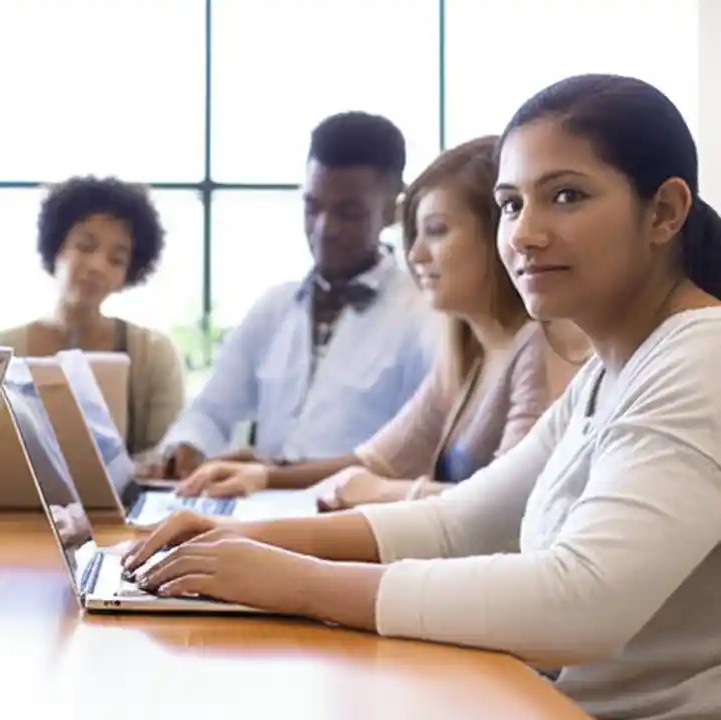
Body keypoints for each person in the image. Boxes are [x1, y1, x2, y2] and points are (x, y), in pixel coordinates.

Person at [125, 74, 721, 719]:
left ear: (664, 211)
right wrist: (246, 538)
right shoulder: (609, 373)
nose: (523, 235)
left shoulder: (700, 357)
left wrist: (296, 582)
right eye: (512, 205)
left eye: (566, 196)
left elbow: (582, 603)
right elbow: (458, 523)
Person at [175, 136, 582, 505]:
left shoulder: (537, 346)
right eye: (416, 235)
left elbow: (507, 507)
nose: (417, 255)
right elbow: (377, 461)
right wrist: (264, 477)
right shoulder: (467, 350)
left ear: (498, 235)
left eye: (437, 231)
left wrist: (384, 492)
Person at [146, 112, 437, 479]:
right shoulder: (274, 307)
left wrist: (276, 474)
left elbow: (413, 456)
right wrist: (187, 446)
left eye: (348, 213)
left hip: (357, 521)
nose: (324, 229)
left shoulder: (425, 315)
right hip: (257, 510)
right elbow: (210, 412)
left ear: (395, 212)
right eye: (312, 207)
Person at [0, 176, 184, 454]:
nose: (97, 266)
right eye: (84, 246)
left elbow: (167, 453)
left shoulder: (154, 353)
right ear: (57, 247)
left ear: (128, 274)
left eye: (116, 260)